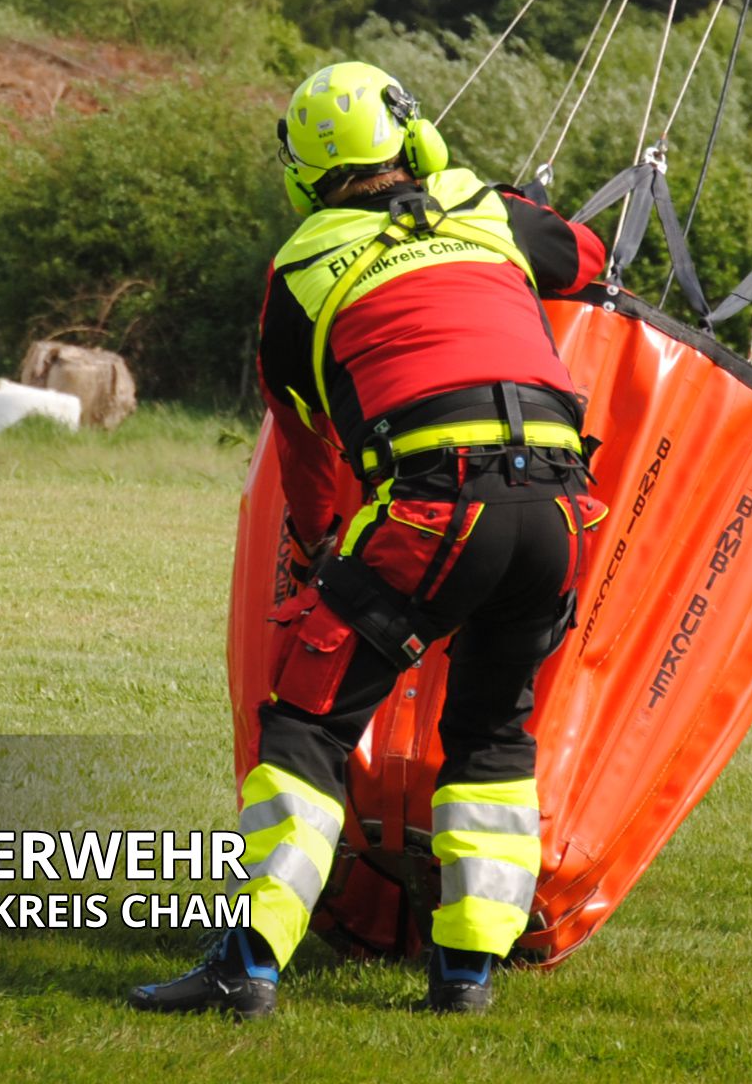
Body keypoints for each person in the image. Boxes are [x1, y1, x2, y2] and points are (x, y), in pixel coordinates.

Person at [130, 61, 607, 1020]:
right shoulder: (486, 208)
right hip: (561, 515)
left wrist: (319, 552)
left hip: (434, 511)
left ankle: (248, 962)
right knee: (492, 733)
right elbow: (586, 259)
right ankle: (466, 975)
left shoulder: (301, 268)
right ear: (412, 136)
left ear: (303, 172)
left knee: (307, 723)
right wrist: (508, 204)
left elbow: (306, 447)